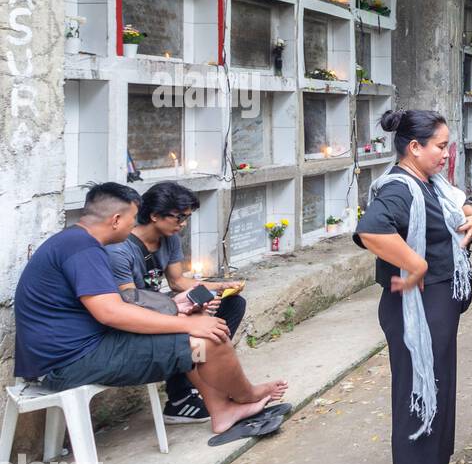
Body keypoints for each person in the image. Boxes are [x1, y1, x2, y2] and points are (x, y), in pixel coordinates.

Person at [14, 183, 287, 439]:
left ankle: (222, 410)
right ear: (116, 219)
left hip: (81, 350)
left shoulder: (76, 243)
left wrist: (179, 312)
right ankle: (247, 395)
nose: (135, 224)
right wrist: (187, 325)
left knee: (199, 334)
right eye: (133, 218)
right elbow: (111, 313)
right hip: (68, 363)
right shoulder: (83, 250)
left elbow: (118, 305)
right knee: (206, 340)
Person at [355, 108, 472, 464]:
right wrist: (417, 265)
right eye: (441, 146)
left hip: (438, 306)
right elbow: (371, 230)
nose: (447, 154)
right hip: (416, 309)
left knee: (438, 383)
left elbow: (455, 202)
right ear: (414, 147)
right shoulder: (398, 187)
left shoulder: (428, 182)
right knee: (415, 390)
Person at [106, 181, 247, 424]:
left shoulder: (169, 238)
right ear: (154, 215)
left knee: (233, 304)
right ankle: (180, 399)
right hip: (139, 314)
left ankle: (206, 383)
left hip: (163, 303)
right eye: (179, 217)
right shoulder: (121, 249)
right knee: (194, 323)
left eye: (187, 218)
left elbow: (177, 281)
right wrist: (180, 307)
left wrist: (219, 288)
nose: (183, 224)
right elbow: (129, 298)